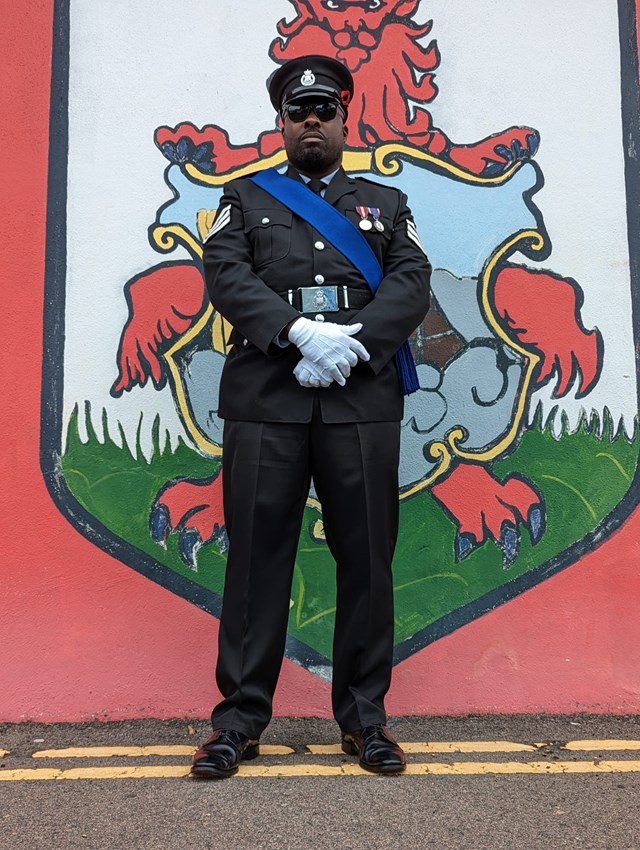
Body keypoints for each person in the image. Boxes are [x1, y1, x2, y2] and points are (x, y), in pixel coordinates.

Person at [192, 55, 431, 778]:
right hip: (268, 399)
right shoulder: (246, 195)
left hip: (359, 402)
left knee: (365, 559)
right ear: (282, 123)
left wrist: (353, 345)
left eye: (325, 110)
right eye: (299, 113)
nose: (313, 123)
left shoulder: (384, 204)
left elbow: (413, 280)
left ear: (344, 118)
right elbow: (224, 270)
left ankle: (365, 719)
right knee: (258, 559)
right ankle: (238, 722)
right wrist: (296, 334)